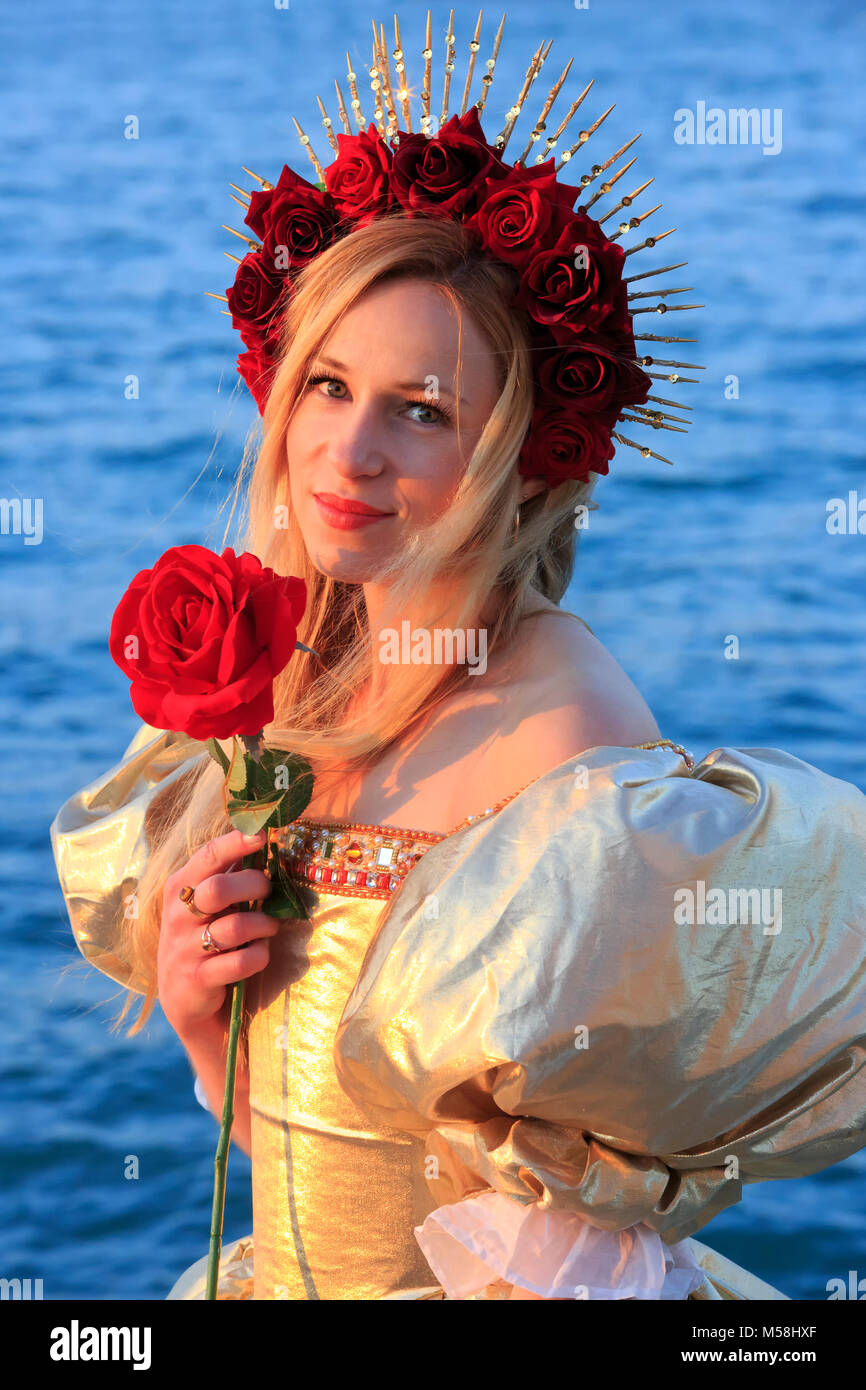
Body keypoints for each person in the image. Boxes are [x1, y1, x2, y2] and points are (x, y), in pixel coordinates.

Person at [50, 12, 866, 1301]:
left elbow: (563, 1244)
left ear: (517, 449)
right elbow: (314, 1153)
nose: (348, 453)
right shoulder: (300, 674)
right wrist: (208, 1030)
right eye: (326, 384)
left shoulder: (564, 731)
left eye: (421, 412)